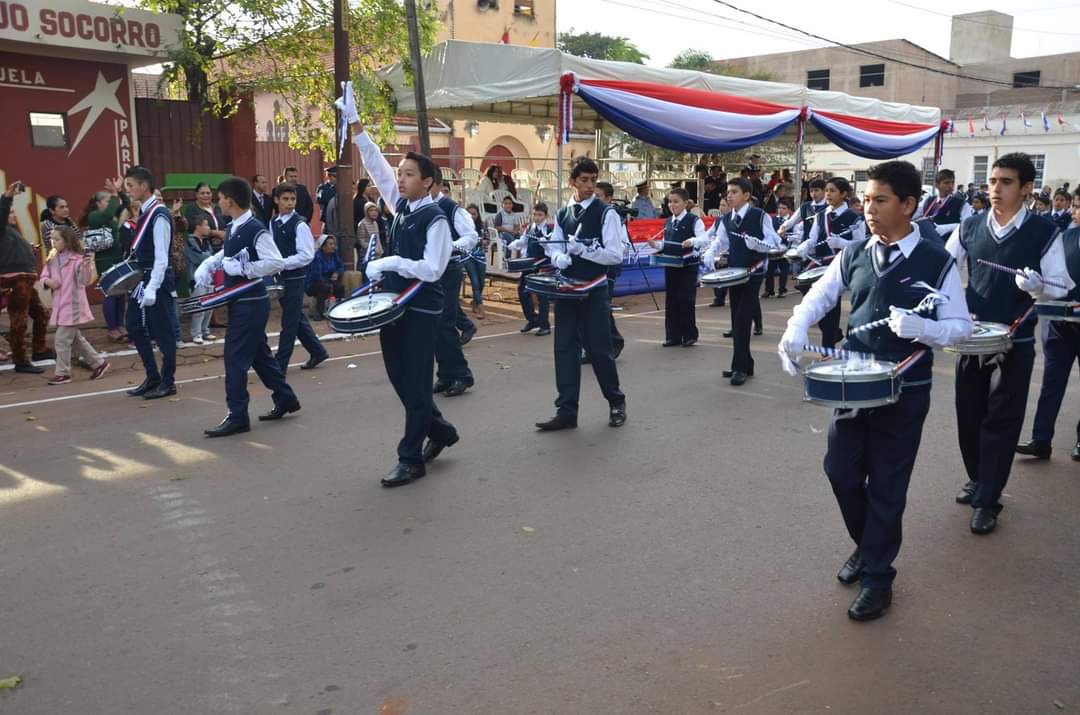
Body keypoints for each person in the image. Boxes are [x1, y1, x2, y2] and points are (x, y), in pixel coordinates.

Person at [778, 159, 973, 621]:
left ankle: (878, 578)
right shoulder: (855, 253)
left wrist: (925, 327)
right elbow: (819, 296)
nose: (868, 208)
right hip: (854, 383)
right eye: (865, 199)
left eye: (879, 200)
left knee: (887, 485)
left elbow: (960, 327)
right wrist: (795, 327)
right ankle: (868, 547)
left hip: (906, 389)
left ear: (908, 205)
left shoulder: (935, 260)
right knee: (840, 472)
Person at [946, 153, 1075, 535]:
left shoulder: (1042, 231)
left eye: (1005, 182)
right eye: (993, 182)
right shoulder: (969, 226)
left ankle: (989, 498)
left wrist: (1037, 285)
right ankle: (977, 478)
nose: (996, 189)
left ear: (1026, 188)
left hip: (1014, 342)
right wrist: (951, 308)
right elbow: (944, 270)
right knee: (968, 415)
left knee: (1001, 421)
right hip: (972, 339)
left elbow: (1061, 285)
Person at [341, 85, 460, 488]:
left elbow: (433, 267)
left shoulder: (437, 218)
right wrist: (356, 126)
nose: (400, 179)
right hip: (394, 306)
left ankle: (410, 458)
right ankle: (441, 431)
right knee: (401, 380)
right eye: (401, 174)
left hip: (423, 309)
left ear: (428, 182)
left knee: (415, 380)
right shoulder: (402, 206)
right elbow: (375, 165)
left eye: (409, 174)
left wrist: (391, 262)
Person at [192, 177, 299, 437]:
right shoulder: (236, 226)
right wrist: (211, 264)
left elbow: (275, 262)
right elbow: (229, 253)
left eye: (220, 197)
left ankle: (238, 415)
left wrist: (244, 269)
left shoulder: (254, 228)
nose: (218, 201)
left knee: (234, 357)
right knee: (259, 356)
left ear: (229, 200)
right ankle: (285, 398)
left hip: (250, 302)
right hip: (241, 301)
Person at [535, 156, 627, 431]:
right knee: (564, 350)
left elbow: (615, 255)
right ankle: (566, 410)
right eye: (584, 180)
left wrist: (583, 250)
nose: (589, 186)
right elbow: (555, 245)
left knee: (599, 350)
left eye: (593, 180)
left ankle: (616, 402)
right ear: (573, 181)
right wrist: (560, 255)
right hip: (567, 290)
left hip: (593, 290)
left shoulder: (606, 213)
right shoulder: (563, 213)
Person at [1015, 191, 1080, 462]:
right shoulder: (1064, 239)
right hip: (1059, 324)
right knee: (1051, 383)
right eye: (1077, 206)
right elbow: (1052, 281)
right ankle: (1041, 439)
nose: (1077, 211)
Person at [703, 177, 781, 385]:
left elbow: (774, 241)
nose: (729, 195)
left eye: (734, 192)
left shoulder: (759, 215)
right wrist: (711, 252)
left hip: (753, 273)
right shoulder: (727, 219)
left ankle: (739, 368)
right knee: (736, 318)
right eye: (728, 192)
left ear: (746, 196)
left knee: (742, 321)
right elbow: (721, 241)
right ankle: (746, 364)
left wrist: (759, 245)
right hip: (734, 273)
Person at [123, 166, 179, 400]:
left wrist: (153, 287)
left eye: (130, 186)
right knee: (134, 327)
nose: (128, 191)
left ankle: (168, 381)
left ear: (144, 186)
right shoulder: (147, 212)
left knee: (163, 331)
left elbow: (161, 257)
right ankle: (152, 376)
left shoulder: (159, 214)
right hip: (142, 279)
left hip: (156, 279)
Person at [794, 176, 867, 348]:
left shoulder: (854, 217)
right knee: (812, 298)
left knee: (832, 310)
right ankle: (833, 333)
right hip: (819, 265)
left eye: (832, 191)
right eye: (826, 190)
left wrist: (842, 244)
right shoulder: (820, 215)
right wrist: (804, 247)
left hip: (839, 267)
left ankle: (827, 351)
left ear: (843, 194)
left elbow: (861, 246)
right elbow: (813, 239)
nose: (828, 194)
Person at [37, 226, 110, 385]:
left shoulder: (77, 259)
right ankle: (99, 364)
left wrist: (86, 265)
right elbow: (43, 277)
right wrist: (48, 282)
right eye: (53, 239)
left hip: (73, 306)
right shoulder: (53, 258)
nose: (54, 242)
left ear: (67, 241)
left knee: (61, 339)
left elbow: (84, 281)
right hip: (60, 306)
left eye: (57, 239)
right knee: (75, 339)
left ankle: (63, 373)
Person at [268, 182, 328, 372]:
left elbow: (307, 255)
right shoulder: (273, 223)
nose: (290, 203)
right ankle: (317, 351)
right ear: (277, 200)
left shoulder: (300, 224)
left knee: (289, 321)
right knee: (296, 317)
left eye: (293, 199)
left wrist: (283, 263)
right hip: (281, 277)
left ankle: (280, 364)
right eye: (285, 199)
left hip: (295, 278)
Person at [431, 171, 479, 397]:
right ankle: (445, 374)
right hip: (431, 270)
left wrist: (450, 245)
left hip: (449, 269)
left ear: (437, 184)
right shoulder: (419, 207)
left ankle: (462, 375)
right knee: (435, 324)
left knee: (446, 322)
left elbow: (471, 236)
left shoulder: (452, 209)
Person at [1, 181, 51, 373]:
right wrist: (7, 197)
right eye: (11, 212)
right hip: (14, 281)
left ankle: (39, 350)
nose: (14, 214)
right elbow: (2, 213)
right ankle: (21, 361)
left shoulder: (12, 232)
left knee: (41, 314)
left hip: (27, 280)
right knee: (19, 322)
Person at [649, 187, 707, 347]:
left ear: (685, 203)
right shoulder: (668, 222)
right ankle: (672, 336)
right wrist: (655, 244)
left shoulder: (694, 220)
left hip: (688, 265)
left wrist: (693, 241)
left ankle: (689, 335)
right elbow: (666, 243)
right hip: (671, 264)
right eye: (670, 201)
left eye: (676, 201)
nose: (672, 205)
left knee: (686, 299)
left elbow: (704, 239)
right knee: (672, 299)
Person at [80, 179, 130, 343]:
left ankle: (120, 325)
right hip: (105, 260)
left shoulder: (109, 215)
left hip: (118, 257)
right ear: (99, 203)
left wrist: (119, 191)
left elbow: (127, 203)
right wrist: (115, 195)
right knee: (110, 293)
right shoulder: (94, 216)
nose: (111, 204)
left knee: (121, 294)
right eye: (108, 201)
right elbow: (109, 213)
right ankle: (112, 328)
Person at [508, 203, 553, 336]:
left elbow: (551, 248)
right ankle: (533, 319)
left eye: (540, 215)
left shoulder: (548, 230)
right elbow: (523, 242)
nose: (537, 217)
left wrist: (545, 242)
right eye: (535, 214)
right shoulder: (529, 228)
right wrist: (513, 244)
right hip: (530, 263)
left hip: (543, 264)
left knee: (541, 294)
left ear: (546, 216)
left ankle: (545, 325)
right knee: (522, 290)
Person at [593, 181, 626, 360]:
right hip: (592, 265)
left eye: (598, 196)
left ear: (608, 198)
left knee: (602, 307)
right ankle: (593, 347)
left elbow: (623, 245)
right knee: (590, 309)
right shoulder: (591, 214)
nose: (594, 199)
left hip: (608, 267)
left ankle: (614, 341)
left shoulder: (614, 218)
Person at [183, 215, 216, 344]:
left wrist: (209, 258)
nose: (209, 228)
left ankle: (205, 330)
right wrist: (210, 258)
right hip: (196, 279)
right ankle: (196, 333)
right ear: (198, 227)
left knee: (210, 306)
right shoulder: (190, 241)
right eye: (206, 225)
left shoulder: (206, 242)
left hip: (209, 278)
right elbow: (199, 258)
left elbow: (211, 257)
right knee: (199, 306)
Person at [914, 169, 973, 239]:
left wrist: (946, 228)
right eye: (946, 183)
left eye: (953, 182)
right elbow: (913, 216)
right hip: (928, 243)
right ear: (937, 185)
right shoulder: (928, 201)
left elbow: (968, 225)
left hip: (948, 245)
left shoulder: (962, 204)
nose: (951, 186)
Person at [305, 235, 345, 320]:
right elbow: (316, 275)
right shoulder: (317, 257)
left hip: (328, 280)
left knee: (340, 287)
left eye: (333, 244)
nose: (333, 246)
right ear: (323, 246)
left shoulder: (334, 255)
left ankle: (337, 311)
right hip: (313, 283)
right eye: (330, 244)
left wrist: (337, 273)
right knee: (324, 287)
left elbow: (341, 266)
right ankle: (319, 313)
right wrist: (329, 283)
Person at [182, 182, 228, 249]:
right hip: (203, 247)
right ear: (197, 195)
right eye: (202, 193)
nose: (205, 195)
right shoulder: (191, 208)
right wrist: (216, 233)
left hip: (221, 247)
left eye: (208, 193)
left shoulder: (217, 208)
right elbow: (192, 227)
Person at [461, 204, 487, 319]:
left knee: (481, 283)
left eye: (474, 214)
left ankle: (475, 301)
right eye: (469, 214)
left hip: (480, 256)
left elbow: (487, 240)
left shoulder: (482, 226)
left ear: (478, 215)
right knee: (475, 283)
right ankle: (481, 309)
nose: (472, 216)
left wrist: (483, 242)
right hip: (468, 257)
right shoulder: (462, 227)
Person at [763, 199, 793, 298]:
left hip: (786, 250)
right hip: (774, 250)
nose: (780, 210)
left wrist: (788, 237)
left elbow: (797, 235)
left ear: (789, 210)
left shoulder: (792, 221)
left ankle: (782, 290)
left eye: (783, 208)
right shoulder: (773, 220)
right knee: (770, 271)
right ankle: (769, 290)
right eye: (779, 208)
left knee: (784, 271)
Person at [708, 196, 732, 308]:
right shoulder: (718, 220)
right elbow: (710, 233)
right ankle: (719, 297)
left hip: (730, 252)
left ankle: (721, 297)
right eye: (720, 205)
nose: (720, 208)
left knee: (726, 274)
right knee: (717, 273)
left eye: (724, 205)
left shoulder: (733, 219)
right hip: (719, 252)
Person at [315, 166, 337, 233]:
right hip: (327, 217)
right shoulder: (322, 188)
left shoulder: (341, 187)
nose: (337, 179)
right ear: (329, 176)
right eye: (335, 176)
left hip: (339, 218)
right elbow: (320, 199)